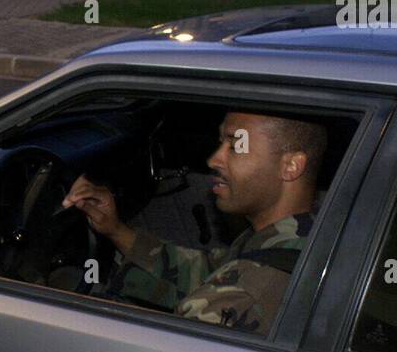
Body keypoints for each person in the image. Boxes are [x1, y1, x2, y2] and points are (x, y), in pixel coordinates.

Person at [62, 111, 327, 333]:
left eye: (236, 146)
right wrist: (115, 230)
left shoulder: (244, 294)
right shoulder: (305, 234)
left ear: (290, 166)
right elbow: (209, 272)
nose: (213, 160)